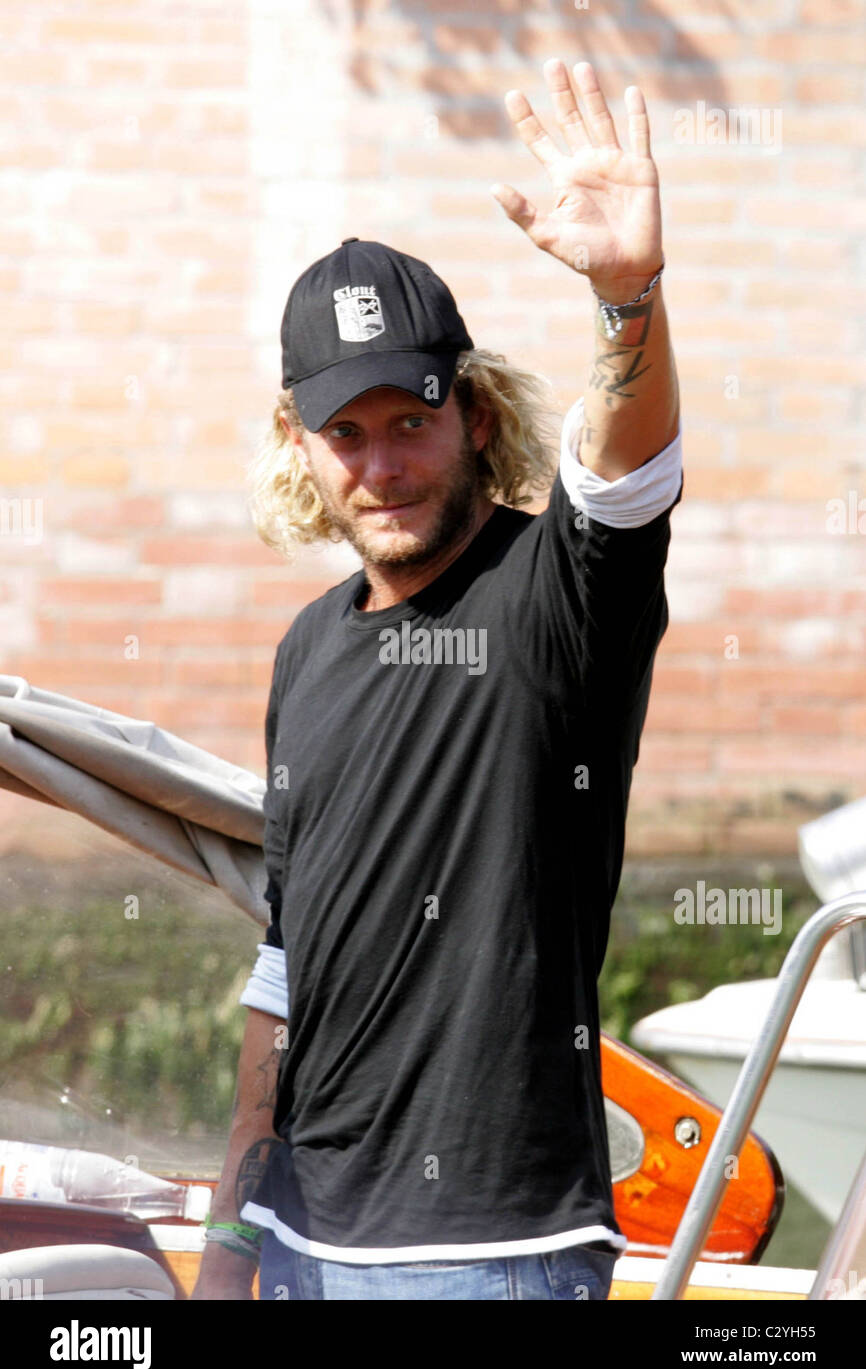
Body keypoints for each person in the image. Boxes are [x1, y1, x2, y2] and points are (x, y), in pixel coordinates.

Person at [191, 58, 681, 1302]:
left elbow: (622, 473)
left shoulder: (557, 594)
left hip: (490, 1258)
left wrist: (625, 295)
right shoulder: (305, 648)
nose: (380, 463)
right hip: (299, 1245)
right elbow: (285, 962)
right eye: (343, 432)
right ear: (298, 445)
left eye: (408, 419)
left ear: (468, 412)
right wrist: (227, 1249)